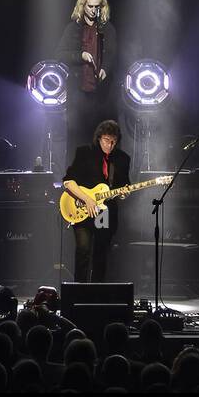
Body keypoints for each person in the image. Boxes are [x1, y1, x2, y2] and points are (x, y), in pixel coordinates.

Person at [62, 120, 131, 284]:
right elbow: (68, 182)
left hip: (105, 213)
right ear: (99, 138)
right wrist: (87, 199)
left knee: (101, 253)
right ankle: (78, 292)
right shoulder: (84, 152)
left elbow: (123, 187)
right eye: (107, 140)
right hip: (82, 208)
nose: (110, 144)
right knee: (83, 250)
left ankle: (96, 293)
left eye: (113, 141)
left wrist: (124, 194)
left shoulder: (122, 159)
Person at [55, 0, 118, 153]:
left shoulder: (107, 29)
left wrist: (105, 68)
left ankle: (103, 177)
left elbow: (113, 55)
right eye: (90, 6)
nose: (93, 10)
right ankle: (74, 176)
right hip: (78, 93)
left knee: (101, 138)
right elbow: (60, 54)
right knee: (77, 137)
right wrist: (80, 55)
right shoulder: (72, 29)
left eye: (97, 7)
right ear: (83, 6)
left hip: (100, 95)